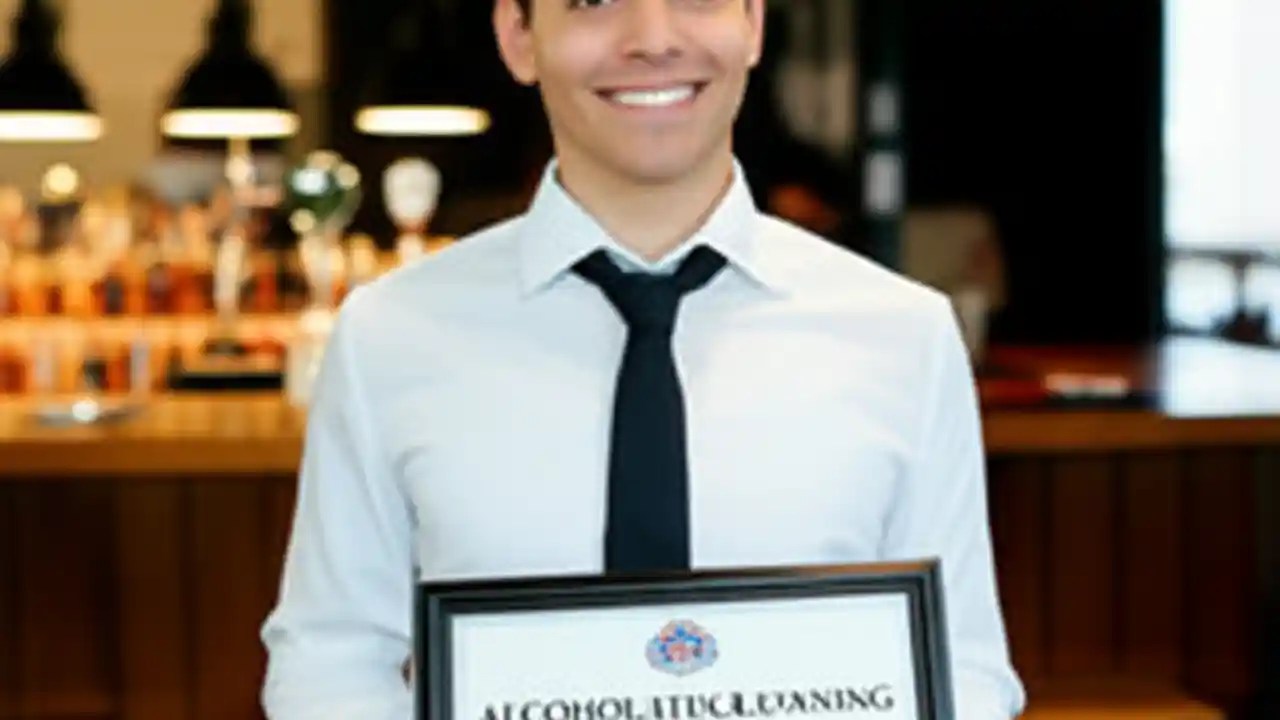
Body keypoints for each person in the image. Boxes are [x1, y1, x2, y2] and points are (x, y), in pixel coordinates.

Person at [259, 1, 1026, 718]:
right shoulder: (389, 335)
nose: (653, 37)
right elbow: (332, 658)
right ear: (519, 37)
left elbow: (960, 670)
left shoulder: (904, 335)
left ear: (753, 23)